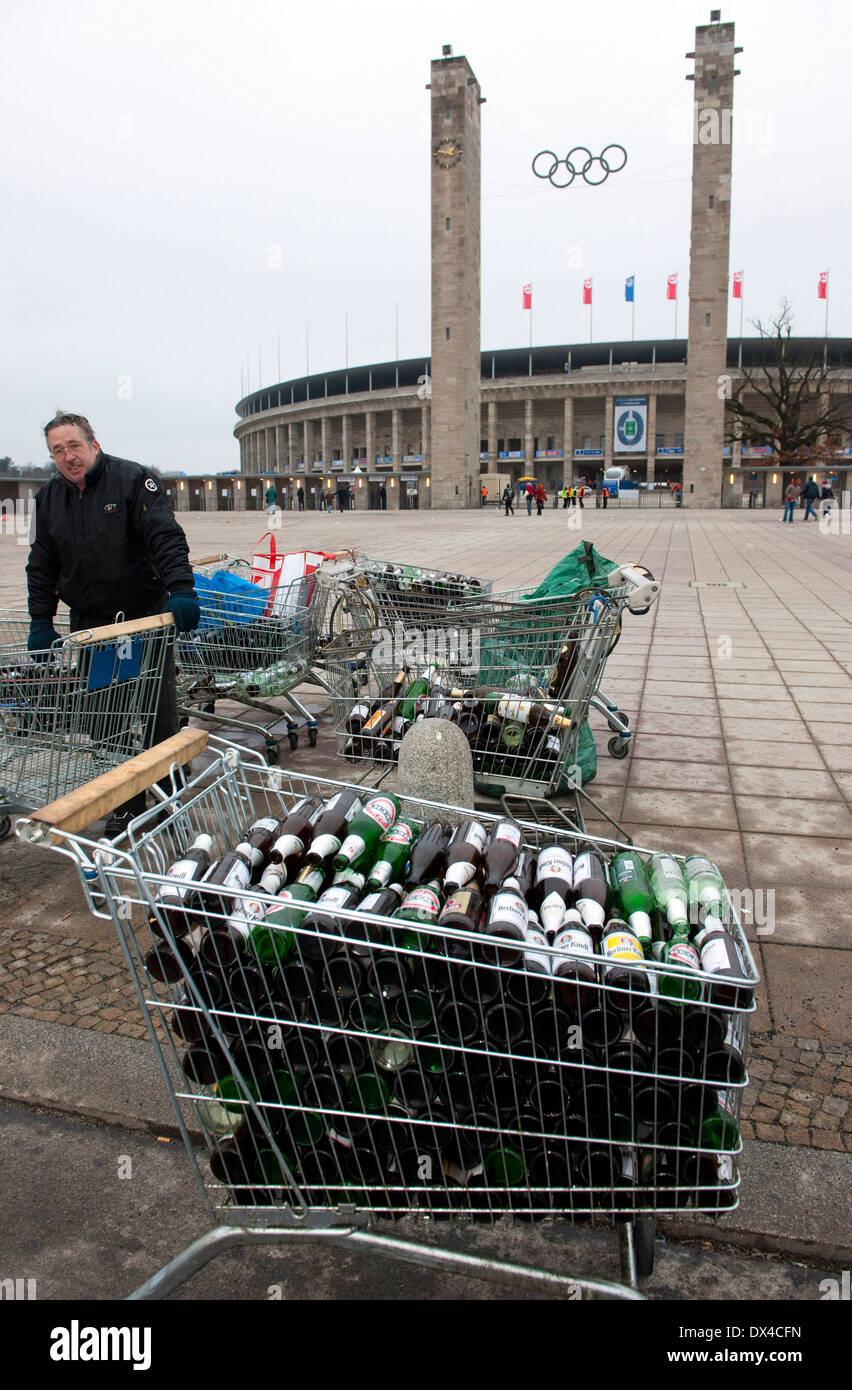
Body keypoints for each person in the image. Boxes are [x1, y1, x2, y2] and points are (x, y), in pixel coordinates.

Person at [26, 411, 200, 837]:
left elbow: (165, 536)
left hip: (143, 618)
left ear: (94, 444)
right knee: (106, 713)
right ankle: (123, 800)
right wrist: (39, 619)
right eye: (58, 450)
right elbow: (42, 563)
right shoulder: (49, 499)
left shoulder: (133, 481)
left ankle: (166, 791)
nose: (68, 456)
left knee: (155, 708)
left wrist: (181, 589)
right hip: (96, 627)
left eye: (74, 446)